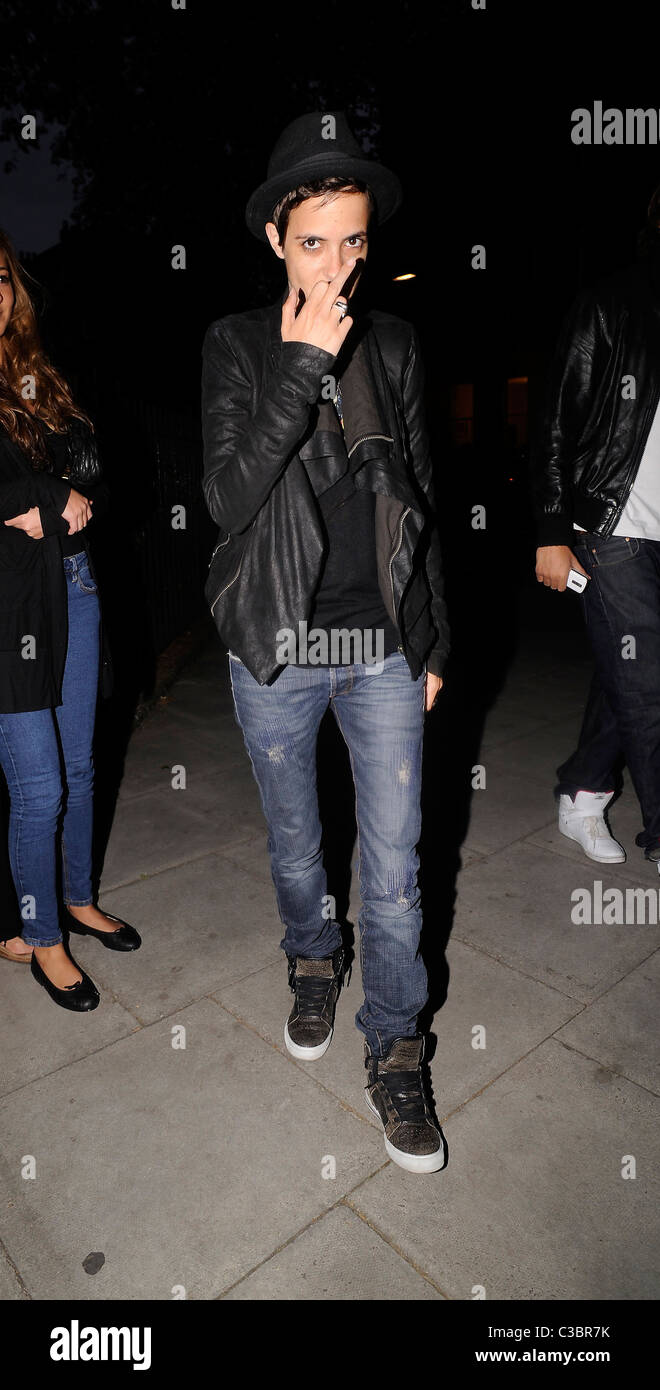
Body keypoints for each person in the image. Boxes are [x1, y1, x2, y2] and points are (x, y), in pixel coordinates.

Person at [201, 112, 450, 1173]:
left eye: (354, 242)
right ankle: (313, 957)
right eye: (316, 242)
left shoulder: (394, 344)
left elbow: (422, 494)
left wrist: (433, 638)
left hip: (384, 645)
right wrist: (302, 364)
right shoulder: (236, 343)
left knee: (394, 870)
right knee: (299, 844)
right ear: (275, 239)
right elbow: (227, 495)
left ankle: (397, 1046)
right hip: (279, 644)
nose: (340, 265)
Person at [0, 228, 140, 1010]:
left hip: (76, 587)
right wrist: (46, 500)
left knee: (81, 767)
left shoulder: (35, 375)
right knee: (40, 790)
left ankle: (78, 899)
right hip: (10, 608)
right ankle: (41, 935)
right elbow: (40, 495)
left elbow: (99, 482)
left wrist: (55, 503)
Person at [533, 182, 660, 867]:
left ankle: (583, 793)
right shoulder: (613, 303)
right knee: (650, 685)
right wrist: (551, 529)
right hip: (616, 526)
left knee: (631, 671)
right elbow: (555, 420)